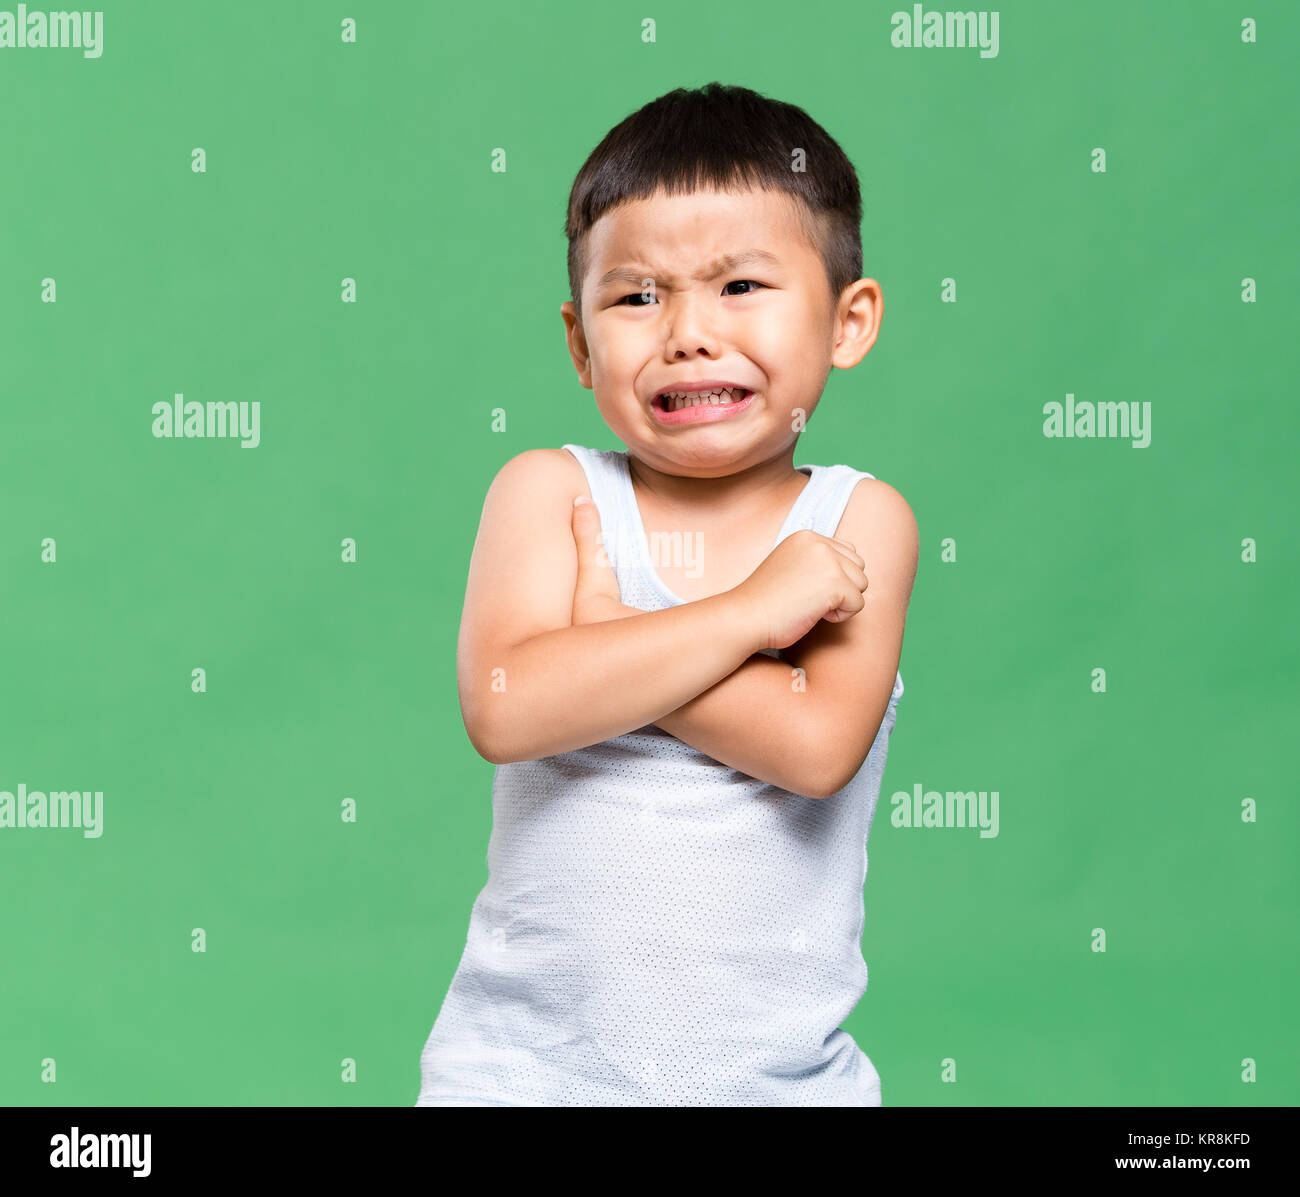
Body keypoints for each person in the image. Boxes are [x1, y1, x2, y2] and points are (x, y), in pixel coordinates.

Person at [416, 82, 918, 1106]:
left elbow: (815, 747)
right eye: (636, 296)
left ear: (847, 321)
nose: (686, 332)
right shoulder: (550, 493)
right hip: (518, 1080)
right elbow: (509, 705)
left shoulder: (856, 522)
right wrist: (744, 618)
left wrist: (612, 638)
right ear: (578, 342)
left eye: (740, 286)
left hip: (777, 1086)